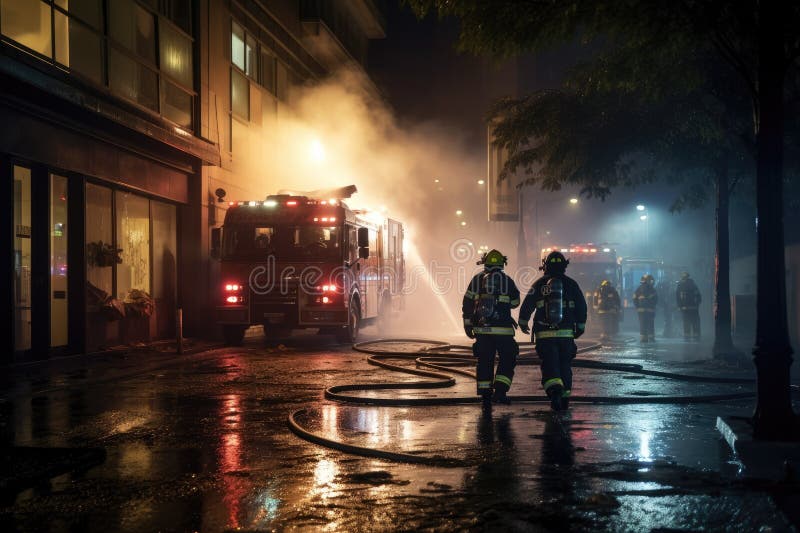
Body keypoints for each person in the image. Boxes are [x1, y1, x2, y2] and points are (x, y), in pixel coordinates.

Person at [518, 251, 587, 412]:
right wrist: (581, 326)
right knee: (564, 364)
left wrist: (523, 322)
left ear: (545, 265)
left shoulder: (539, 284)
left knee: (550, 363)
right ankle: (565, 398)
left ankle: (555, 392)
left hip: (544, 334)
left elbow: (528, 304)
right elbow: (581, 306)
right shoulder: (571, 284)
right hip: (566, 334)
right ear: (564, 266)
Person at [462, 249, 521, 406]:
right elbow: (515, 303)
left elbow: (467, 303)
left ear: (485, 263)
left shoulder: (477, 280)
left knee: (485, 361)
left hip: (482, 330)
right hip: (503, 331)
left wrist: (468, 324)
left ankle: (486, 396)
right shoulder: (507, 280)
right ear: (502, 263)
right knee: (508, 358)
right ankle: (500, 391)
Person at [676, 271, 701, 341]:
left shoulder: (680, 285)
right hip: (694, 309)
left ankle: (687, 338)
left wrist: (679, 306)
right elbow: (699, 297)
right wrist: (697, 305)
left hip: (685, 309)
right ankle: (696, 338)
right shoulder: (693, 285)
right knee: (695, 323)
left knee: (686, 324)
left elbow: (678, 297)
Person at [633, 274, 658, 343]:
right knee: (650, 324)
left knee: (642, 324)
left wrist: (637, 307)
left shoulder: (638, 289)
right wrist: (653, 306)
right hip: (650, 310)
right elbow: (656, 300)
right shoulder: (652, 289)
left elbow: (634, 299)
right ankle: (651, 337)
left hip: (641, 310)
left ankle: (643, 338)